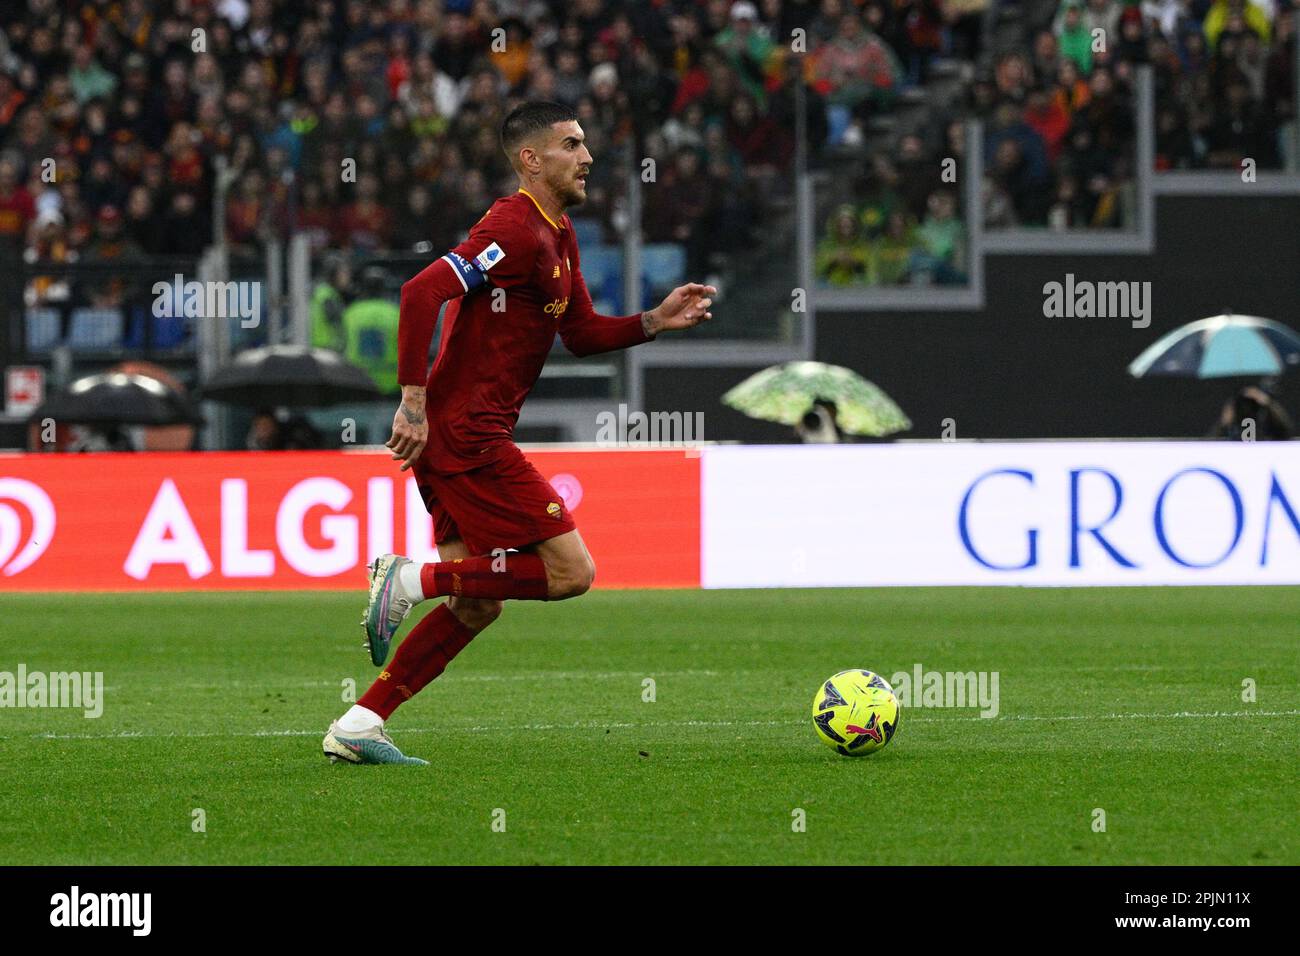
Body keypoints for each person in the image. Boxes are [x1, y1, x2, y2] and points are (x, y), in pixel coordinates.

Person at [322, 102, 715, 765]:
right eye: (571, 144)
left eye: (586, 143)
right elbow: (422, 292)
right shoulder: (513, 227)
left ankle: (359, 724)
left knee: (479, 605)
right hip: (468, 434)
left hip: (460, 434)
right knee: (571, 572)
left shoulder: (558, 235)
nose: (587, 156)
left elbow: (583, 333)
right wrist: (411, 399)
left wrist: (652, 320)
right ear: (531, 159)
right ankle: (412, 579)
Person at [1210, 385, 1295, 441]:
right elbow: (1208, 445)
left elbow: (1286, 433)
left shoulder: (1266, 422)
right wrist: (1223, 423)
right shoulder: (1232, 427)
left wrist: (1269, 405)